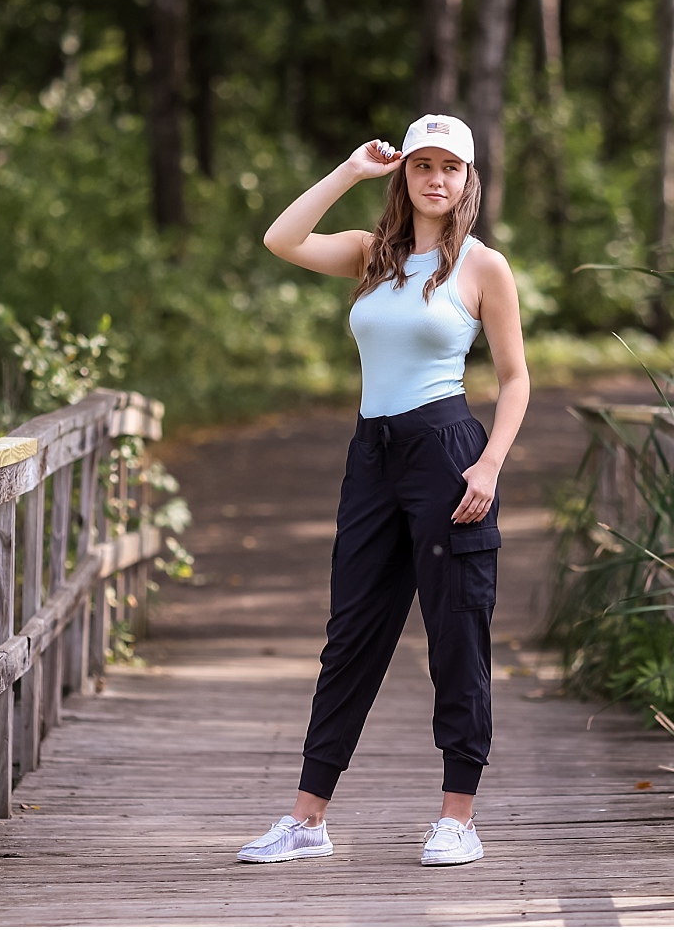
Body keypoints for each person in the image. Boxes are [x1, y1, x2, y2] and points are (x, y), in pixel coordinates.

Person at [236, 114, 529, 868]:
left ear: (469, 179)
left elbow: (517, 378)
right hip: (372, 455)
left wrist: (490, 465)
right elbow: (282, 239)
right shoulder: (373, 255)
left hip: (447, 453)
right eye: (423, 164)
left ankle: (457, 818)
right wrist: (350, 171)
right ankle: (307, 819)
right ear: (406, 174)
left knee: (457, 631)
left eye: (451, 167)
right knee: (351, 635)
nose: (436, 178)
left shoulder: (483, 266)